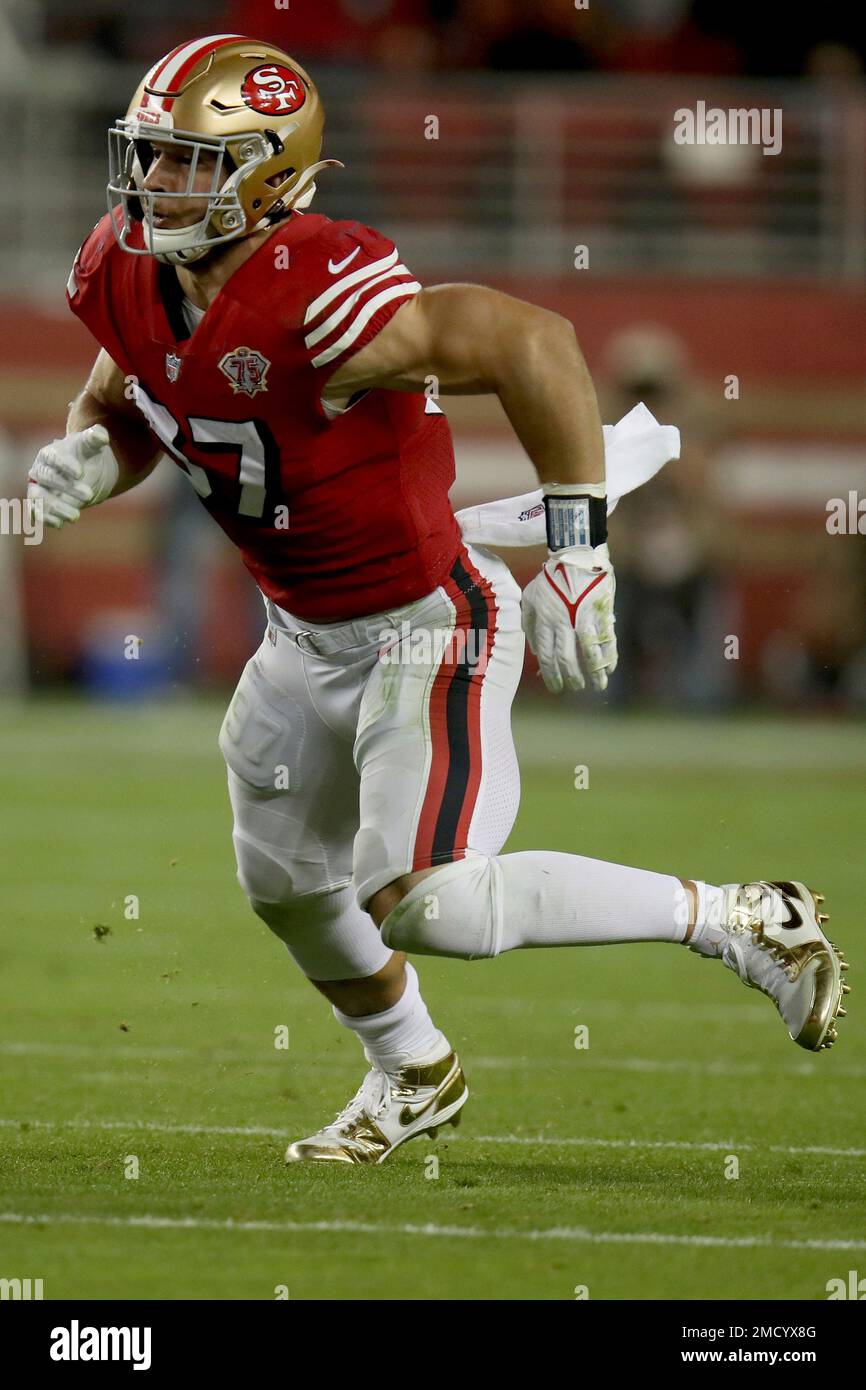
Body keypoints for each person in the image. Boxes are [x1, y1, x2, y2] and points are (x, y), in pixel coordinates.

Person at [28, 35, 848, 1166]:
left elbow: (533, 343)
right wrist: (93, 455)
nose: (155, 185)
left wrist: (577, 545)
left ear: (268, 174)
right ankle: (412, 1067)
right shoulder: (123, 264)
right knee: (283, 885)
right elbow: (132, 388)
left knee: (426, 902)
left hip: (426, 623)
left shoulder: (320, 289)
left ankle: (746, 919)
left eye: (188, 163)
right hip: (297, 630)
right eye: (151, 157)